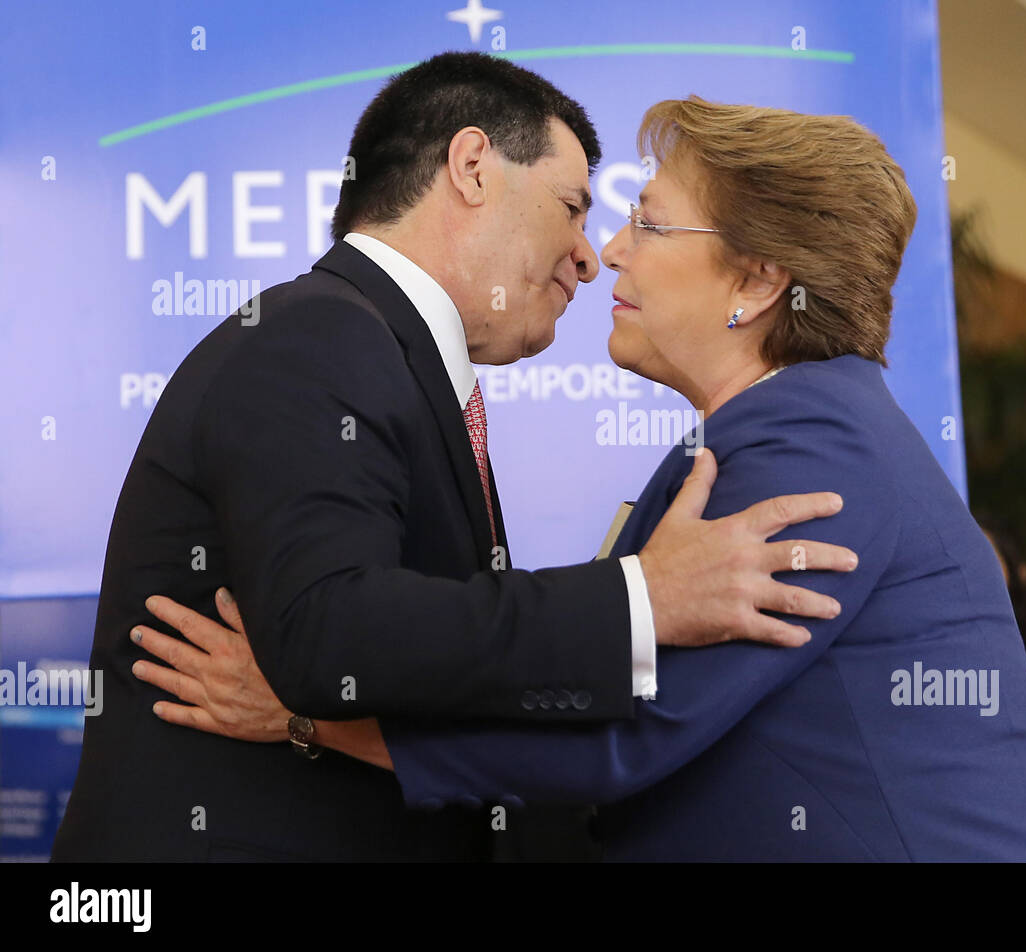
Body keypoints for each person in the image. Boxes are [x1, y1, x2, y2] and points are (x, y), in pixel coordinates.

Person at [132, 97, 1026, 861]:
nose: (611, 252)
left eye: (651, 222)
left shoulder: (815, 446)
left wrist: (308, 719)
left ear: (757, 282)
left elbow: (622, 735)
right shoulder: (760, 434)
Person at [49, 57, 859, 863]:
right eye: (573, 207)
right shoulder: (319, 335)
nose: (589, 253)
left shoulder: (384, 353)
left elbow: (417, 656)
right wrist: (641, 602)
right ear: (472, 168)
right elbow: (328, 634)